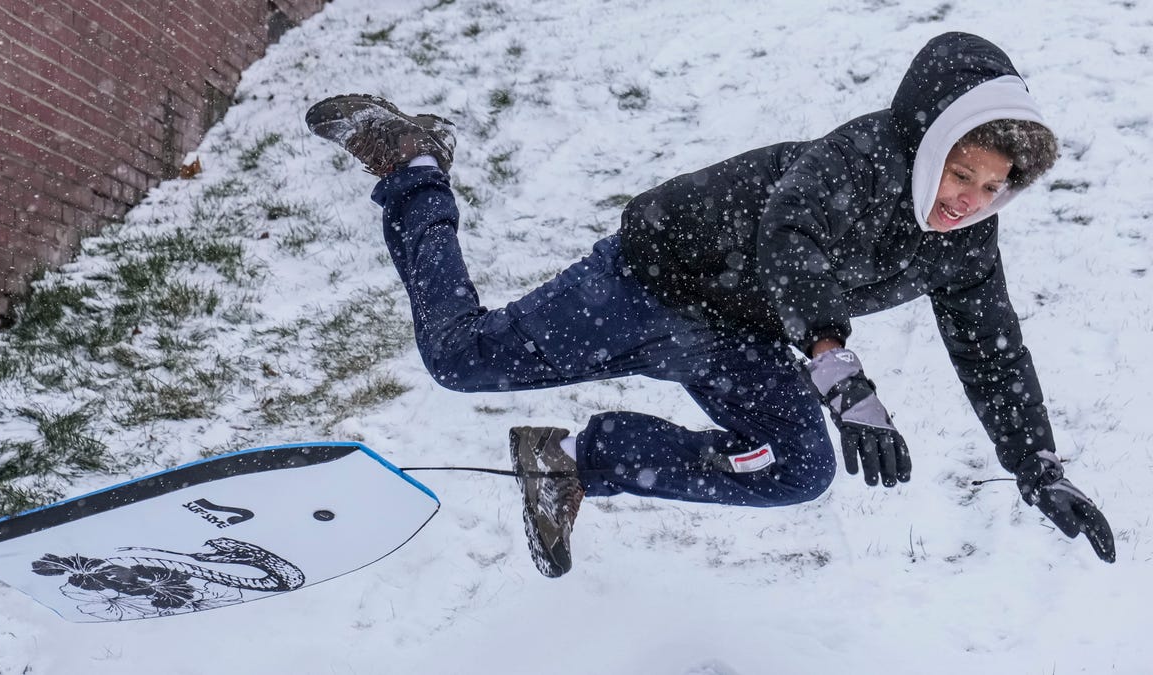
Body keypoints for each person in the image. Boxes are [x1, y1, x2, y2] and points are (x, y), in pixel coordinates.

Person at [304, 31, 1115, 578]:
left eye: (991, 186)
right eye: (960, 172)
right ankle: (412, 163)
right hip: (646, 285)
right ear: (932, 142)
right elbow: (792, 248)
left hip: (738, 340)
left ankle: (573, 464)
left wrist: (1036, 466)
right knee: (459, 357)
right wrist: (835, 363)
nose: (968, 199)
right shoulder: (858, 161)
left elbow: (991, 344)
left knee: (798, 470)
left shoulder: (965, 241)